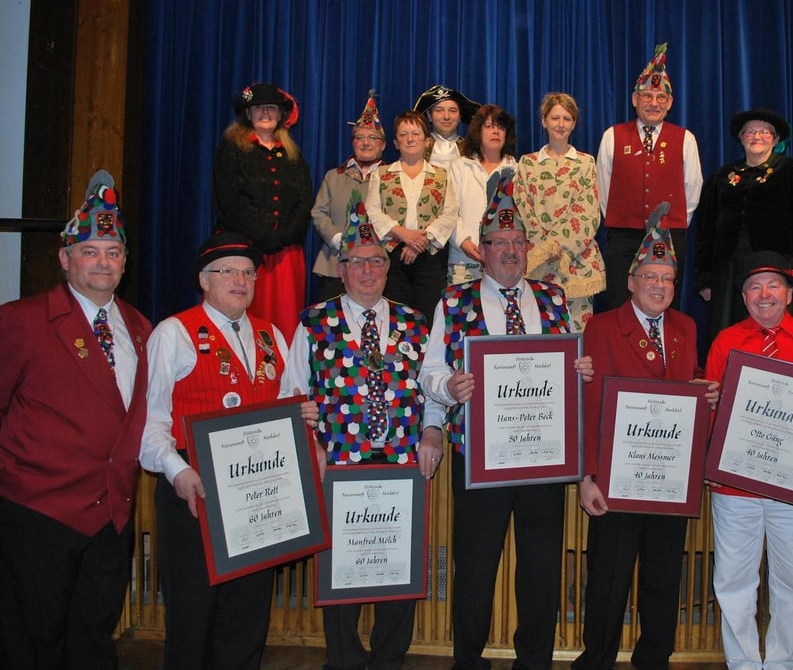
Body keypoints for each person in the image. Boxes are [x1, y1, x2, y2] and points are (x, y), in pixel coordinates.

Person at [419, 175, 593, 670]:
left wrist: (580, 369)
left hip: (543, 462)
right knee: (474, 569)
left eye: (519, 243)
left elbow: (570, 372)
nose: (511, 252)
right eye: (500, 243)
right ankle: (467, 661)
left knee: (540, 571)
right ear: (483, 249)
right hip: (479, 461)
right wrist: (448, 386)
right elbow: (429, 370)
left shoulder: (555, 299)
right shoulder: (454, 301)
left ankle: (534, 662)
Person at [139, 231, 321, 670]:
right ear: (204, 280)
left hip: (257, 499)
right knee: (193, 619)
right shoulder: (174, 333)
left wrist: (303, 418)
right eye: (228, 271)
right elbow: (150, 423)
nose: (240, 280)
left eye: (247, 272)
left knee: (247, 620)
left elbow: (288, 405)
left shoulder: (272, 335)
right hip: (194, 494)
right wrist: (178, 472)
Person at [283, 197, 443, 670]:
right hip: (339, 465)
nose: (368, 271)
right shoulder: (312, 323)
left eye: (376, 261)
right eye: (357, 262)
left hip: (401, 466)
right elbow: (291, 394)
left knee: (397, 571)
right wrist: (310, 444)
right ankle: (345, 661)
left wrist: (432, 434)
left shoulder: (416, 323)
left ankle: (390, 659)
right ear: (341, 266)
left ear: (387, 266)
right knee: (343, 573)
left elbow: (433, 390)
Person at [0, 171, 151, 670]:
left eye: (113, 251)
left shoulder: (141, 328)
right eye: (90, 250)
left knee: (93, 638)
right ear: (65, 259)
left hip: (111, 517)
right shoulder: (21, 320)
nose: (103, 261)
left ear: (125, 262)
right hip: (38, 514)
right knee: (31, 642)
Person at [572, 203, 718, 670]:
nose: (659, 286)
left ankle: (654, 658)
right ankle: (596, 659)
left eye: (668, 279)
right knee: (608, 582)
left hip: (669, 481)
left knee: (663, 578)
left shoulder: (686, 327)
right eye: (650, 276)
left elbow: (682, 381)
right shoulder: (600, 326)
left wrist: (701, 388)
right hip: (615, 481)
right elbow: (590, 406)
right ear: (631, 281)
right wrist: (586, 475)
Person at [705, 250, 793, 670]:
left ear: (789, 293)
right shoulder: (725, 341)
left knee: (792, 583)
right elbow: (711, 409)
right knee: (733, 581)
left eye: (773, 285)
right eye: (754, 286)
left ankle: (786, 663)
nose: (763, 294)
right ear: (744, 296)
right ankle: (744, 664)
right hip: (735, 487)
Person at [694, 108, 793, 342]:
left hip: (777, 265)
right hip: (729, 270)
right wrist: (705, 276)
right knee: (730, 333)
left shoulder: (792, 171)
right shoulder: (723, 176)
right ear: (741, 138)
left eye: (765, 132)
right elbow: (706, 229)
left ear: (775, 140)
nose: (757, 136)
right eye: (750, 132)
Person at [597, 42, 703, 310]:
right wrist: (624, 217)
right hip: (623, 236)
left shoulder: (685, 139)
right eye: (647, 96)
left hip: (668, 236)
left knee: (663, 304)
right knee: (620, 303)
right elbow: (603, 188)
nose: (653, 103)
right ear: (635, 99)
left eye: (660, 98)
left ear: (670, 103)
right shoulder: (612, 136)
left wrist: (670, 223)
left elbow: (692, 190)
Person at [214, 81, 314, 338]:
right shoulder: (232, 149)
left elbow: (305, 200)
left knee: (284, 320)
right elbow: (229, 201)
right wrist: (263, 234)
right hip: (246, 251)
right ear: (248, 114)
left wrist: (286, 234)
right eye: (259, 108)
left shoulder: (293, 155)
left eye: (271, 108)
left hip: (285, 257)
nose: (266, 113)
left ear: (281, 115)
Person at [514, 92, 606, 332]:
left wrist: (559, 248)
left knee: (577, 337)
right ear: (544, 121)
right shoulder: (527, 163)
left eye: (567, 118)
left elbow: (587, 212)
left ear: (574, 123)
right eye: (555, 118)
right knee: (539, 331)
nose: (561, 124)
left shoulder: (586, 163)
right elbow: (522, 209)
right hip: (537, 266)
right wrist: (544, 250)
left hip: (577, 264)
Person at [365, 110, 457, 325]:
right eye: (403, 134)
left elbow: (449, 213)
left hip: (430, 258)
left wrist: (419, 242)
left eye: (415, 134)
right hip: (392, 257)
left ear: (427, 141)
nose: (410, 139)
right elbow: (372, 211)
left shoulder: (442, 175)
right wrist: (404, 235)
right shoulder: (382, 174)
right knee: (395, 317)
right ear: (396, 143)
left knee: (430, 317)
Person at [311, 90, 388, 301]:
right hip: (334, 264)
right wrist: (338, 239)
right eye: (360, 137)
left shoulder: (391, 178)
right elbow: (318, 213)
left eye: (372, 138)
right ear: (353, 142)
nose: (365, 143)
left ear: (383, 145)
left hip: (375, 266)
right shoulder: (334, 176)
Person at [445, 104, 518, 284]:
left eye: (501, 127)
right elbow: (449, 212)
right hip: (464, 259)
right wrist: (463, 242)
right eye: (489, 126)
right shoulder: (460, 166)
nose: (496, 132)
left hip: (505, 259)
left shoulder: (516, 169)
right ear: (478, 131)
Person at [413, 84, 481, 169]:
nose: (446, 117)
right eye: (439, 110)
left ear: (460, 116)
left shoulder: (471, 149)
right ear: (430, 116)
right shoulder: (418, 147)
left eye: (452, 111)